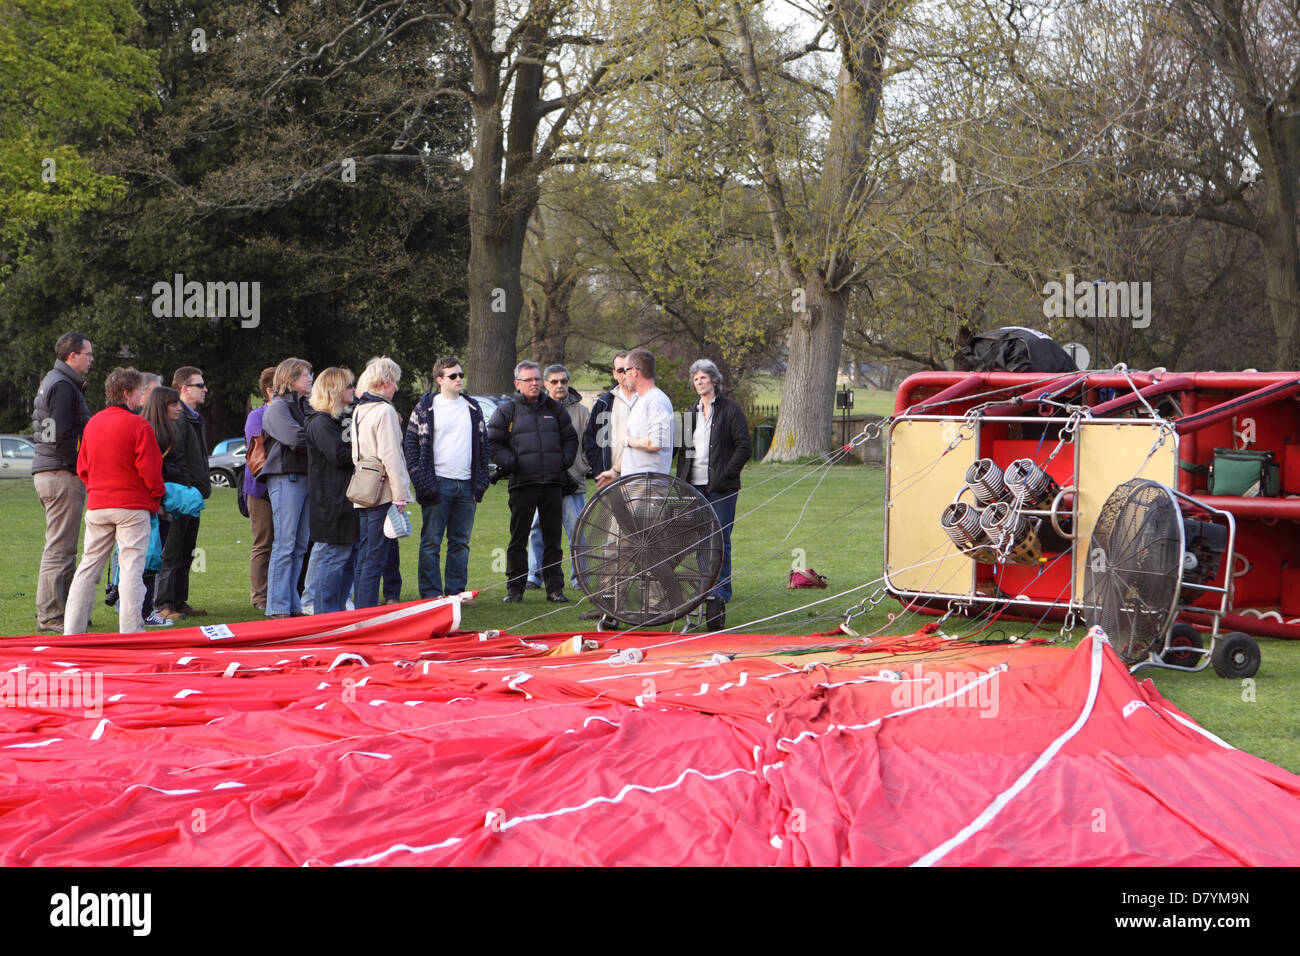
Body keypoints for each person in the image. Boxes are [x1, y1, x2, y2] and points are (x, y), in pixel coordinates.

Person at [63, 368, 164, 634]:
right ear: (126, 393)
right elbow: (151, 470)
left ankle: (72, 630)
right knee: (132, 570)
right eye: (139, 391)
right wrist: (156, 496)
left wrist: (96, 490)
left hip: (98, 504)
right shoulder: (139, 425)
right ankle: (131, 630)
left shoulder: (93, 423)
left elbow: (82, 466)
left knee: (87, 567)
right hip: (131, 506)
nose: (142, 395)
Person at [487, 361, 578, 603]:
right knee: (518, 539)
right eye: (529, 380)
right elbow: (493, 442)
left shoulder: (555, 410)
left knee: (552, 540)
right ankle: (514, 589)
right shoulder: (507, 411)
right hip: (522, 484)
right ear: (518, 384)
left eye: (537, 379)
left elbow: (570, 438)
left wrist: (564, 460)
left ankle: (555, 589)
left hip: (552, 483)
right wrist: (510, 462)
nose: (534, 383)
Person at [404, 356, 489, 599]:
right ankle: (431, 596)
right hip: (436, 483)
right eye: (453, 376)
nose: (459, 379)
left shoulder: (473, 408)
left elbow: (484, 447)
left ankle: (456, 594)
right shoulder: (425, 408)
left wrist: (480, 482)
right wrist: (418, 476)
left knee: (460, 543)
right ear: (440, 380)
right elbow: (410, 442)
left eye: (461, 375)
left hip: (466, 485)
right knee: (431, 543)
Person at [676, 359, 751, 630]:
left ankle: (720, 591)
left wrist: (725, 474)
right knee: (699, 539)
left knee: (720, 538)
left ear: (715, 380)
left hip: (721, 487)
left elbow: (744, 446)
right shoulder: (689, 413)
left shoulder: (730, 410)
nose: (700, 382)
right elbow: (682, 451)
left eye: (704, 377)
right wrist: (680, 481)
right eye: (696, 378)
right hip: (693, 486)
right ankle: (703, 588)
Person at [31, 332, 94, 634]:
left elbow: (47, 433)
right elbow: (58, 435)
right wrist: (75, 467)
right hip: (60, 474)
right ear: (73, 356)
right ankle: (52, 616)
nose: (92, 359)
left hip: (50, 471)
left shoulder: (53, 381)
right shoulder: (64, 386)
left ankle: (65, 611)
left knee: (62, 546)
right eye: (88, 354)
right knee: (60, 548)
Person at [351, 357, 412, 609]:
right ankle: (365, 611)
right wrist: (400, 494)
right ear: (385, 382)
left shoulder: (360, 409)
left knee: (366, 552)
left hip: (364, 488)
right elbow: (392, 456)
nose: (396, 387)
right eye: (394, 382)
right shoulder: (385, 411)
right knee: (376, 554)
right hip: (382, 490)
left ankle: (361, 607)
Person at [154, 365, 212, 619]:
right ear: (184, 389)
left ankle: (178, 601)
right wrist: (186, 489)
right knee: (173, 550)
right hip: (182, 496)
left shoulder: (193, 419)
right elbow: (176, 459)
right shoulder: (178, 419)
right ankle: (163, 604)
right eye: (200, 385)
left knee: (187, 550)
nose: (205, 389)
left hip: (192, 495)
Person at [526, 364, 588, 592]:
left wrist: (580, 468)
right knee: (537, 529)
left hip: (574, 483)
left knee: (576, 532)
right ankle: (534, 575)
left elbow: (589, 446)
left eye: (563, 381)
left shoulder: (582, 412)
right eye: (554, 382)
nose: (559, 385)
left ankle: (578, 578)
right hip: (543, 483)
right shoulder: (536, 409)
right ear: (545, 384)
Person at [261, 358, 314, 618]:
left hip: (304, 477)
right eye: (306, 375)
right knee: (285, 543)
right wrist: (319, 438)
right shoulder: (278, 407)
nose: (310, 379)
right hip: (286, 477)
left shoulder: (305, 406)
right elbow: (295, 437)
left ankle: (291, 604)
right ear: (291, 379)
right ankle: (277, 606)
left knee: (300, 544)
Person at [305, 367, 359, 614]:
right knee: (333, 558)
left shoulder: (335, 421)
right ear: (335, 390)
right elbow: (338, 455)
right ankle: (324, 612)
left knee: (346, 558)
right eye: (349, 386)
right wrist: (367, 451)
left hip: (343, 501)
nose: (353, 390)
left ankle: (335, 611)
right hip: (331, 503)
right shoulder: (320, 422)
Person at [605, 347, 673, 478]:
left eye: (626, 370)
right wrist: (615, 471)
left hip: (649, 485)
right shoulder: (641, 400)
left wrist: (627, 441)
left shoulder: (656, 400)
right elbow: (632, 447)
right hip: (635, 483)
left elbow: (656, 442)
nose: (624, 376)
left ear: (634, 371)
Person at [244, 367, 277, 611]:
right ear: (270, 390)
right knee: (264, 542)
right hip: (261, 488)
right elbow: (257, 453)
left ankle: (280, 591)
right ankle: (259, 596)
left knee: (286, 543)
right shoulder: (257, 416)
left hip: (285, 487)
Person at [588, 350, 638, 490]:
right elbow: (591, 441)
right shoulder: (603, 404)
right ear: (614, 374)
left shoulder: (650, 400)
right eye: (620, 370)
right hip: (612, 479)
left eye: (629, 369)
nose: (625, 374)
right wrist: (600, 470)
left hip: (644, 477)